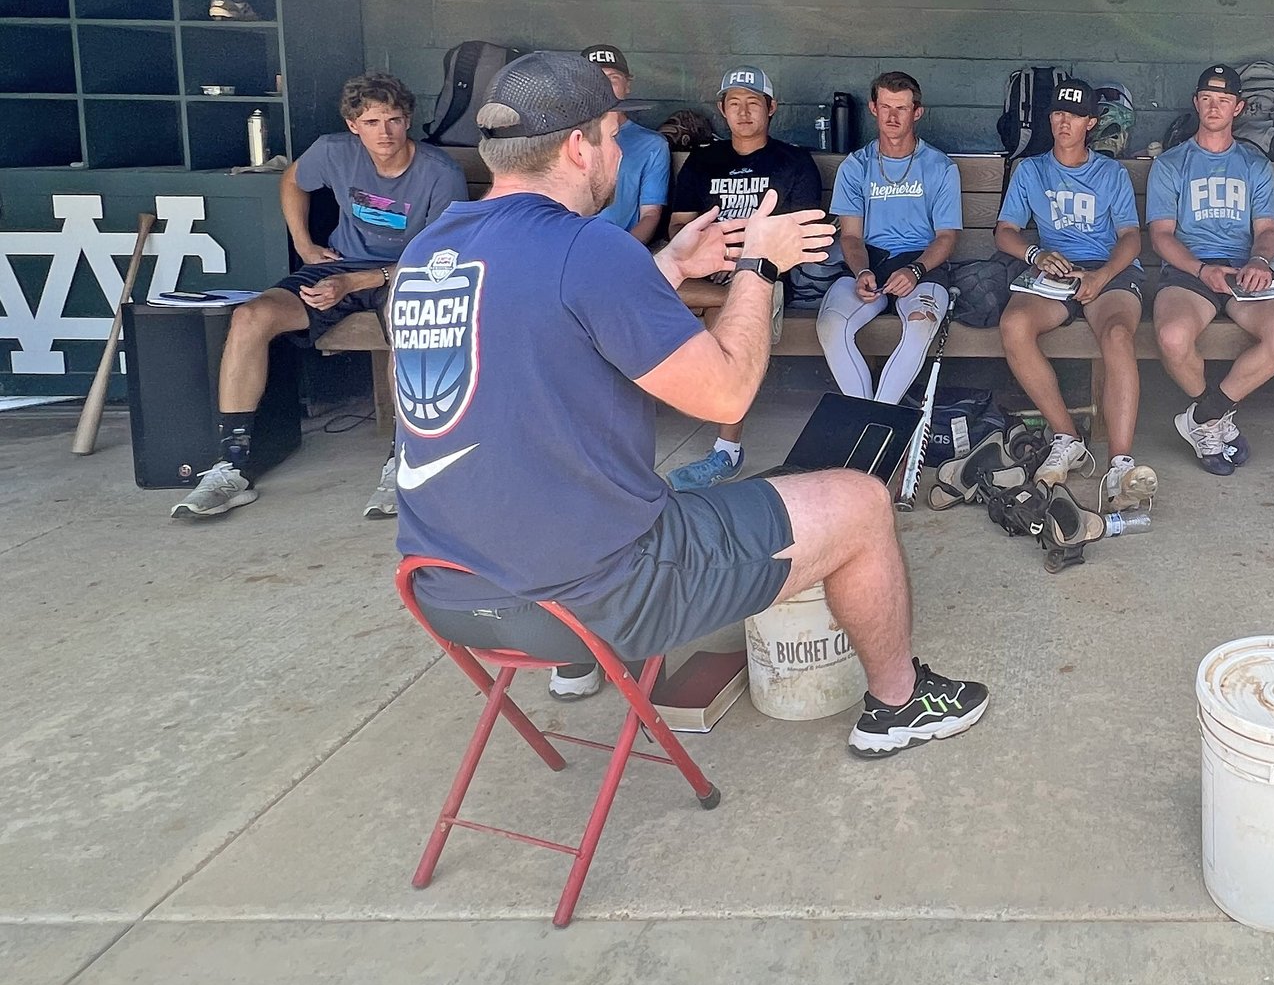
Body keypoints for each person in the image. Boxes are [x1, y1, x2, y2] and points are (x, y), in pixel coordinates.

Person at [390, 52, 987, 753]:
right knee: (861, 504)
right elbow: (727, 391)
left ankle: (581, 669)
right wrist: (759, 265)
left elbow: (552, 319)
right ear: (579, 146)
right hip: (587, 590)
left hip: (449, 589)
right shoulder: (587, 247)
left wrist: (668, 266)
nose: (619, 149)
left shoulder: (430, 255)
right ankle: (898, 704)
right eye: (613, 134)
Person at [173, 71, 465, 524]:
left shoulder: (438, 172)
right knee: (252, 316)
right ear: (353, 126)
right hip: (338, 267)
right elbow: (292, 181)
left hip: (411, 273)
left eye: (393, 120)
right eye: (371, 122)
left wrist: (359, 281)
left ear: (408, 120)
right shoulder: (334, 151)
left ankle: (401, 462)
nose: (384, 132)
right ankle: (231, 465)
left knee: (411, 323)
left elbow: (441, 256)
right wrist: (305, 244)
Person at [994, 77, 1155, 507]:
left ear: (1090, 122)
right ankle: (1067, 436)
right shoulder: (1032, 170)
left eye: (1074, 115)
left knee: (1118, 335)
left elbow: (1130, 239)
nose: (1064, 122)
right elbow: (1005, 231)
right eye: (1057, 114)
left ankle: (1121, 465)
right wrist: (1035, 253)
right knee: (1013, 325)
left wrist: (1101, 277)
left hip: (1109, 275)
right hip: (1055, 275)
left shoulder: (1109, 172)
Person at [662, 66, 824, 490]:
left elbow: (800, 238)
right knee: (642, 294)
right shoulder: (703, 160)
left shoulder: (792, 162)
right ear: (721, 109)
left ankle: (726, 451)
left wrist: (745, 264)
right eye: (734, 102)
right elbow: (679, 227)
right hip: (704, 270)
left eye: (753, 102)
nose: (744, 111)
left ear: (772, 108)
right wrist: (712, 253)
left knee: (725, 321)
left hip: (764, 276)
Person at [1147, 64, 1274, 474]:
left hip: (1243, 270)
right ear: (1196, 102)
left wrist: (1259, 260)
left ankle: (1204, 417)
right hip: (1189, 271)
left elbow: (1267, 230)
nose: (1214, 107)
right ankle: (1215, 420)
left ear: (1238, 107)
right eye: (1206, 98)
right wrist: (1200, 270)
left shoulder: (1253, 164)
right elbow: (1161, 236)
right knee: (1172, 335)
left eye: (1223, 100)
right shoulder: (1171, 164)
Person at [818, 70, 960, 407]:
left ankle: (876, 423)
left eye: (902, 108)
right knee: (830, 326)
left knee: (919, 327)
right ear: (873, 108)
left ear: (917, 112)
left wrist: (915, 271)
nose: (893, 116)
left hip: (922, 265)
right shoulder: (856, 166)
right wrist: (861, 271)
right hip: (869, 262)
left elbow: (946, 237)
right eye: (886, 107)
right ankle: (870, 423)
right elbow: (850, 236)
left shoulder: (939, 166)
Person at [581, 44, 669, 244]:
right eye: (594, 80)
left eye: (613, 79)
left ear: (627, 85)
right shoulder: (560, 138)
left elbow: (650, 214)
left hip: (621, 246)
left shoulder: (652, 145)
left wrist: (623, 255)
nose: (604, 88)